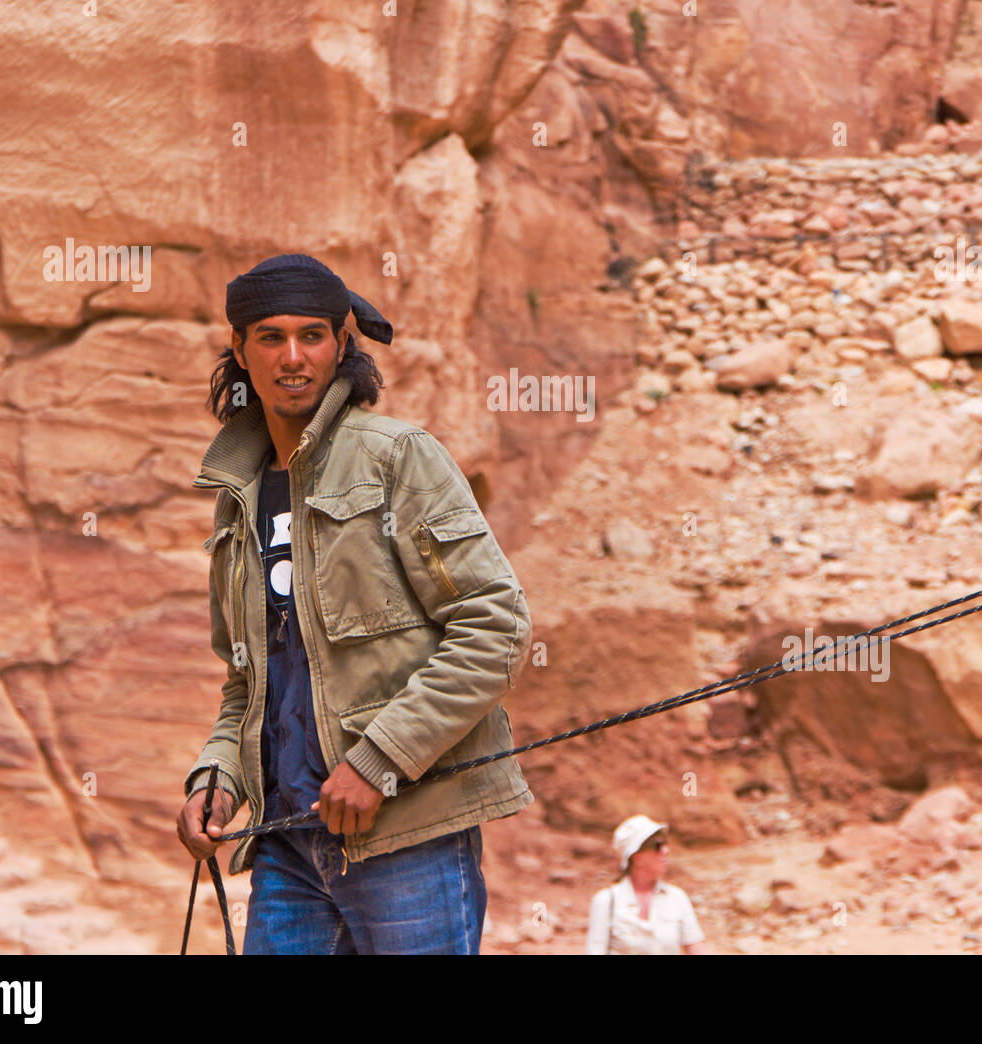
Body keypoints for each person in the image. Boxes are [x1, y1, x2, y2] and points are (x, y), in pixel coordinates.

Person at [175, 252, 534, 954]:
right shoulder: (236, 499)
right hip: (285, 844)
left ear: (342, 344)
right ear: (241, 353)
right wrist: (217, 779)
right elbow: (250, 679)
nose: (293, 357)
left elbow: (496, 625)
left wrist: (379, 761)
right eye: (270, 338)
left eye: (312, 335)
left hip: (408, 838)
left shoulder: (397, 457)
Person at [586, 815, 705, 954]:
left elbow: (697, 949)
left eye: (665, 843)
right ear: (637, 857)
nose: (665, 850)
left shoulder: (677, 898)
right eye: (657, 845)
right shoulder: (606, 901)